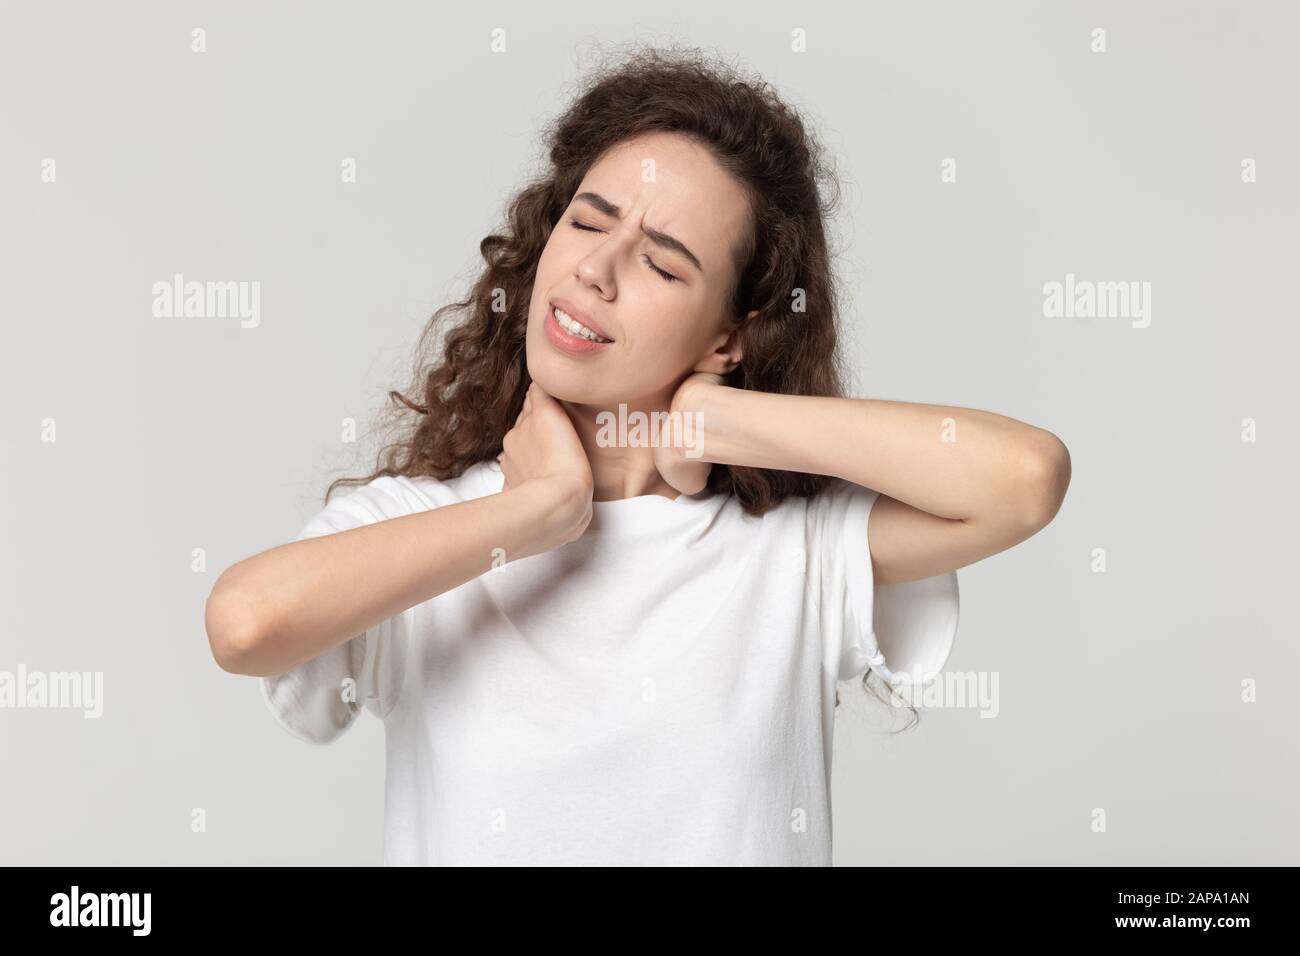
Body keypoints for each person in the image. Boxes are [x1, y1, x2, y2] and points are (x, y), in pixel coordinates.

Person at [205, 47, 1070, 865]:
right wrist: (535, 511)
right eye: (588, 222)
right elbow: (244, 625)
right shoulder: (431, 530)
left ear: (731, 334)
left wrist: (721, 421)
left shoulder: (793, 553)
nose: (597, 271)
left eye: (662, 265)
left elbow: (1024, 482)